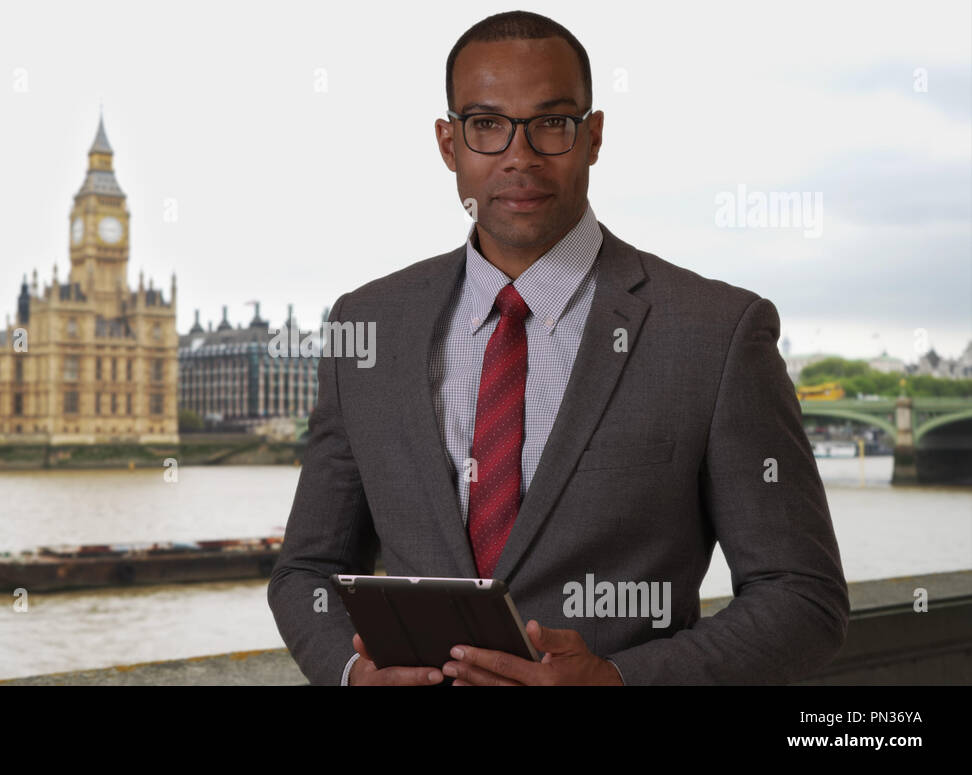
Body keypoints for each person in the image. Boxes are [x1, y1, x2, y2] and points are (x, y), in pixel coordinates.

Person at [266, 11, 849, 685]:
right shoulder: (364, 326)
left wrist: (618, 680)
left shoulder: (717, 333)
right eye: (487, 125)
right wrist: (350, 672)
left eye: (552, 122)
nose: (520, 155)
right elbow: (306, 570)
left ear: (594, 136)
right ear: (448, 143)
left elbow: (804, 598)